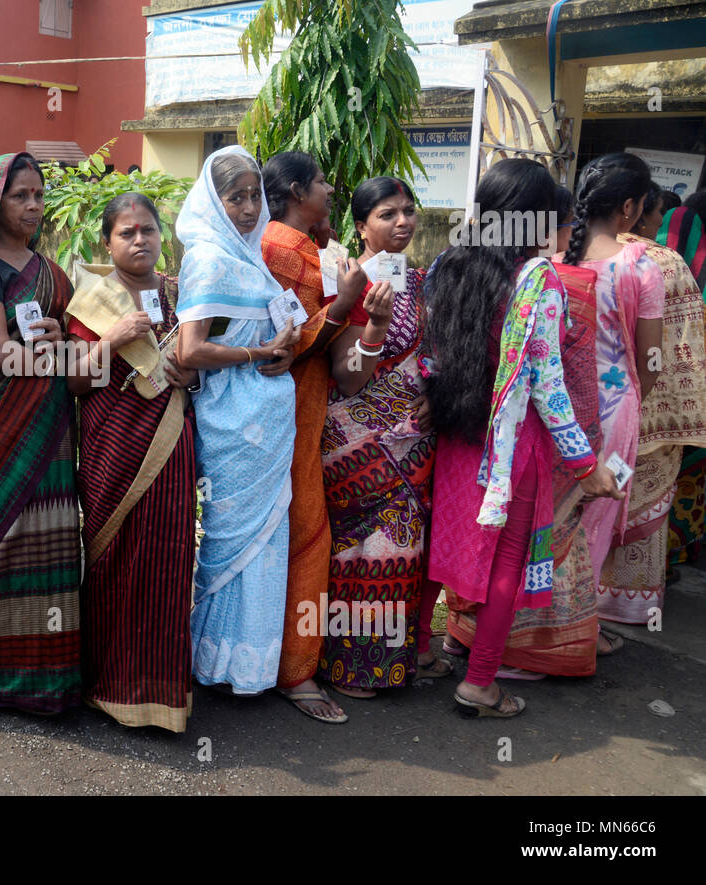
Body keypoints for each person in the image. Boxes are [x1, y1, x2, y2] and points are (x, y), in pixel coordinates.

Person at [426, 158, 623, 718]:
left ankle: (421, 651)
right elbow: (547, 386)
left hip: (457, 434)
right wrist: (587, 466)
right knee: (506, 563)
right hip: (511, 448)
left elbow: (435, 355)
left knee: (447, 545)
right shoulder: (538, 281)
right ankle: (480, 683)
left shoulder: (449, 263)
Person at [174, 146, 303, 703]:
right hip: (232, 426)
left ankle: (248, 664)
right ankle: (213, 660)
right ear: (213, 200)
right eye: (237, 197)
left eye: (257, 196)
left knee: (269, 544)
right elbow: (190, 350)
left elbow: (273, 327)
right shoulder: (208, 258)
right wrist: (255, 357)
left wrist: (287, 347)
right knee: (229, 543)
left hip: (268, 424)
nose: (251, 208)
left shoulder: (252, 257)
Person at [66, 193, 198, 732]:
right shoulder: (92, 300)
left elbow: (195, 359)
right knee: (112, 557)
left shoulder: (178, 291)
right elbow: (74, 381)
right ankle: (107, 685)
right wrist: (112, 339)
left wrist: (192, 374)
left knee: (166, 560)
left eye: (147, 230)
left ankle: (160, 694)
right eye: (126, 232)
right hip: (111, 445)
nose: (139, 240)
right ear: (107, 241)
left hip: (171, 440)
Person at [318, 177, 450, 696]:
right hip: (356, 441)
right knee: (358, 553)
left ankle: (392, 663)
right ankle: (349, 668)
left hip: (414, 436)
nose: (402, 223)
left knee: (401, 551)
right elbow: (347, 375)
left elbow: (437, 354)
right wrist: (372, 326)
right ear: (359, 226)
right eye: (387, 214)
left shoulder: (420, 282)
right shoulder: (347, 281)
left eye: (408, 211)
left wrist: (438, 399)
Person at [0, 152, 81, 714]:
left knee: (52, 537)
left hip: (51, 417)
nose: (32, 206)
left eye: (37, 196)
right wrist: (50, 349)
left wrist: (56, 336)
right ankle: (8, 678)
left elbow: (62, 340)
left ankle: (53, 676)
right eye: (18, 196)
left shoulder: (50, 269)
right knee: (6, 539)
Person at [259, 151, 366, 722]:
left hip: (305, 410)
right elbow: (290, 342)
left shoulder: (303, 248)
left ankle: (276, 662)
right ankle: (294, 673)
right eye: (323, 181)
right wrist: (346, 302)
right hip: (287, 411)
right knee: (307, 538)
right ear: (298, 189)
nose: (330, 190)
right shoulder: (280, 248)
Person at [561, 153, 664, 644]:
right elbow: (651, 362)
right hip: (615, 411)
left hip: (555, 412)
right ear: (629, 208)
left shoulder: (556, 259)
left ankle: (528, 629)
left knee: (550, 519)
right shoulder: (641, 268)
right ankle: (576, 630)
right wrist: (631, 393)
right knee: (595, 523)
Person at [599, 186, 706, 623]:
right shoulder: (663, 262)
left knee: (584, 509)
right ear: (638, 211)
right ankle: (625, 605)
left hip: (584, 415)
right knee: (636, 502)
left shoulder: (571, 255)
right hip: (648, 414)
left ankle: (572, 607)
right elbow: (684, 347)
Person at [659, 192, 706, 567]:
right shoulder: (684, 221)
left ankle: (668, 551)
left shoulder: (681, 221)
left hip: (677, 366)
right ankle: (674, 550)